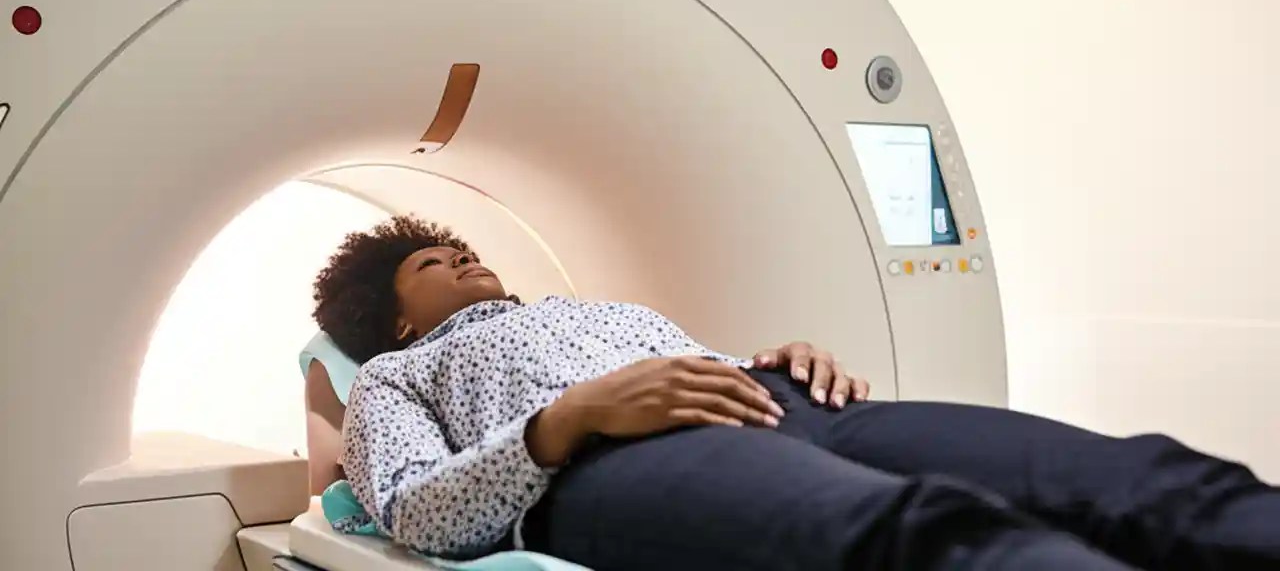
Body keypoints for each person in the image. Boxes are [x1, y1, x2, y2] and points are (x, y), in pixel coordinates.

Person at [309, 215, 1279, 571]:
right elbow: (415, 509)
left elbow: (693, 361)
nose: (461, 255)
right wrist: (573, 416)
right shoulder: (397, 375)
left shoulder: (583, 305)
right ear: (396, 321)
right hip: (619, 459)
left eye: (462, 246)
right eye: (433, 261)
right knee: (923, 534)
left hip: (784, 400)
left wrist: (780, 356)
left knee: (1136, 478)